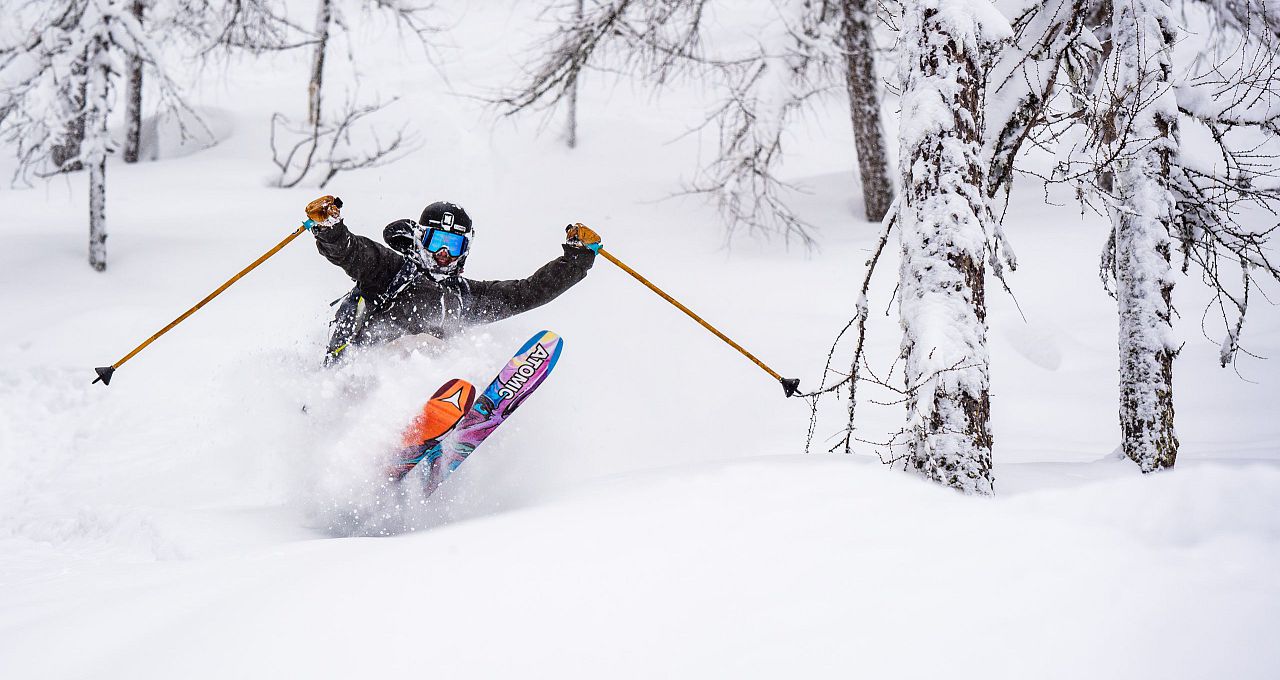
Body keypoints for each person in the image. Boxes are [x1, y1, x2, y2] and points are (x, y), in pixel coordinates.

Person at [303, 195, 601, 364]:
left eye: (454, 244)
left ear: (466, 249)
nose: (444, 252)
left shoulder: (465, 296)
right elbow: (352, 252)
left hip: (420, 383)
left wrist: (576, 259)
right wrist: (330, 230)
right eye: (436, 241)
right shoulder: (389, 269)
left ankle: (441, 418)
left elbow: (529, 292)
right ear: (420, 238)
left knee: (445, 347)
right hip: (363, 365)